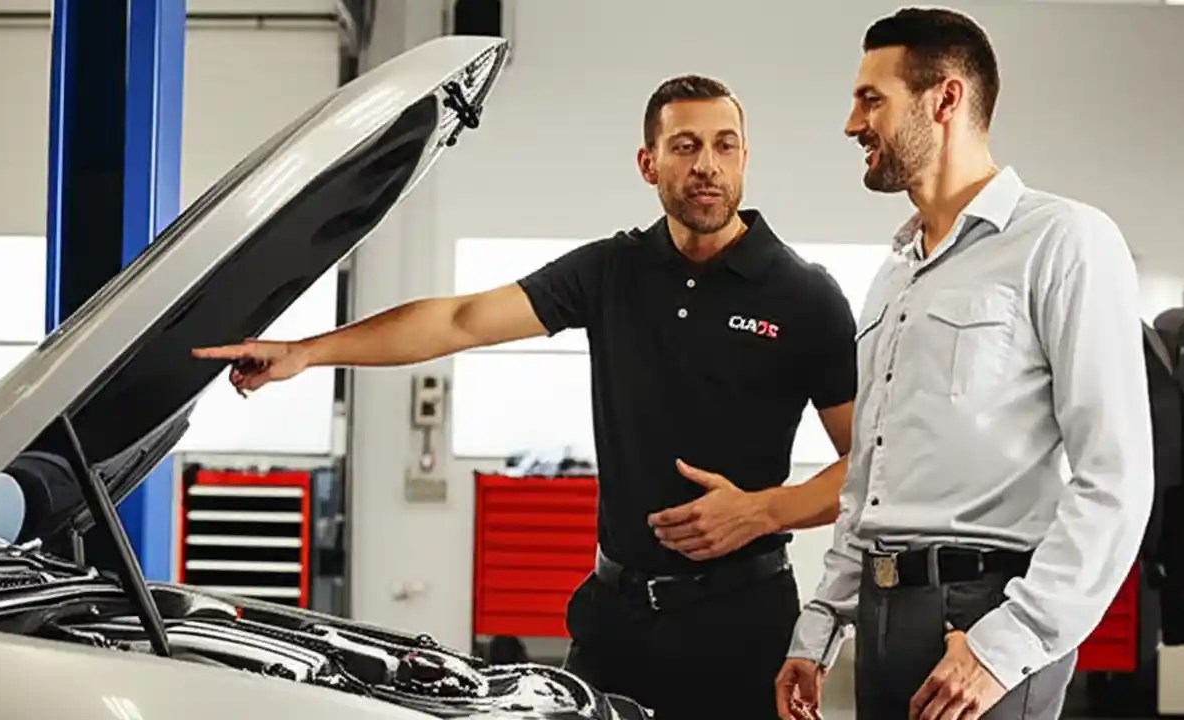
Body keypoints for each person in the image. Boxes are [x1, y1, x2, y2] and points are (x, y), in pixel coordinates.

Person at [193, 75, 858, 719]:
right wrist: (308, 352)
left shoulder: (803, 295)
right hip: (616, 621)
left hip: (743, 623)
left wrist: (764, 512)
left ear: (745, 156)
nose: (707, 164)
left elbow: (866, 472)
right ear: (647, 162)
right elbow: (461, 320)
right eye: (685, 146)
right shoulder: (610, 271)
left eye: (725, 144)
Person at [775, 7, 1154, 720]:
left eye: (871, 99)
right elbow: (871, 481)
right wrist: (822, 623)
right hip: (885, 613)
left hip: (981, 619)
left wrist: (1005, 646)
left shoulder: (1062, 241)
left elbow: (1116, 477)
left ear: (944, 98)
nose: (852, 124)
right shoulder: (895, 274)